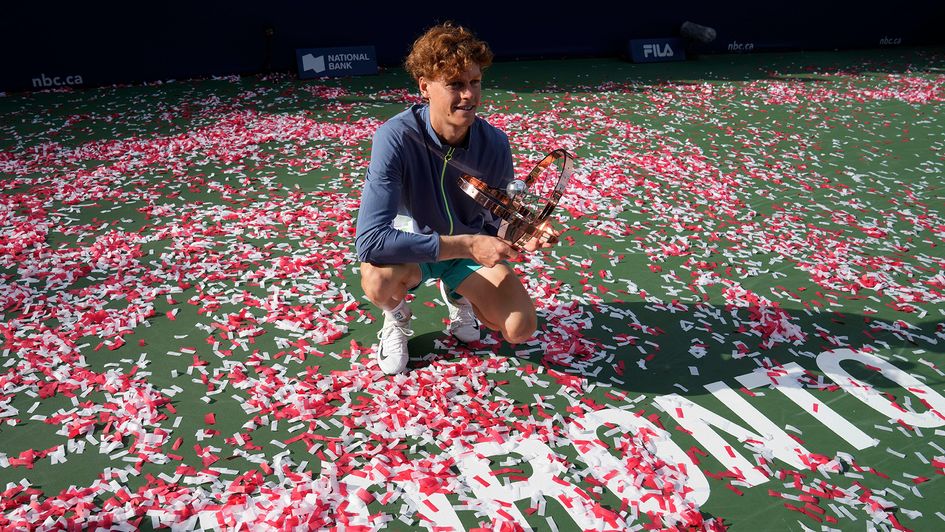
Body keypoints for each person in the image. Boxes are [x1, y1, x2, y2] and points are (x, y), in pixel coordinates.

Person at [354, 22, 553, 374]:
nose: (468, 96)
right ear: (425, 88)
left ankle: (458, 293)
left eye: (475, 82)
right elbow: (371, 242)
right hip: (411, 249)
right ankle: (396, 316)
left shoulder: (495, 143)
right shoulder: (394, 138)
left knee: (519, 328)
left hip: (464, 251)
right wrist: (467, 246)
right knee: (378, 281)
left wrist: (524, 231)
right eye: (455, 85)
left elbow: (496, 220)